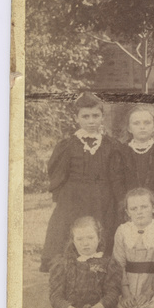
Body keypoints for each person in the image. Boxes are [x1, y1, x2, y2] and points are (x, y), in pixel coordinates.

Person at [41, 92, 125, 272]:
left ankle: (99, 276)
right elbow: (57, 174)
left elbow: (116, 176)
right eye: (85, 116)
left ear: (102, 117)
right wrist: (60, 200)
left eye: (95, 116)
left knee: (101, 234)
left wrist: (120, 202)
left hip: (103, 200)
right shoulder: (67, 145)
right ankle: (71, 275)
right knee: (72, 236)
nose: (91, 121)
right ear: (76, 118)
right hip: (73, 200)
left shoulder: (112, 145)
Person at [113, 188, 154, 308]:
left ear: (153, 208)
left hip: (152, 286)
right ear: (127, 212)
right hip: (128, 286)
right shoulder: (123, 231)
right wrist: (126, 294)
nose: (139, 212)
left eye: (144, 207)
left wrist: (149, 293)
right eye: (134, 208)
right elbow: (118, 265)